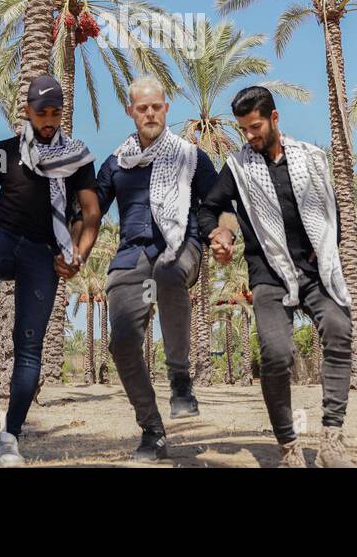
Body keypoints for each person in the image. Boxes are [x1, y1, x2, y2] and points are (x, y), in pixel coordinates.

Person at [197, 85, 354, 468]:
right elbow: (208, 209)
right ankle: (289, 447)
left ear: (274, 118)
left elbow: (331, 212)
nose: (249, 137)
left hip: (315, 272)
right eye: (243, 130)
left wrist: (327, 245)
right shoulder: (237, 168)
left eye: (254, 127)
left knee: (338, 329)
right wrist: (219, 233)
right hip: (267, 273)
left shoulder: (312, 159)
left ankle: (332, 440)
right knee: (276, 353)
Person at [0, 75, 100, 466]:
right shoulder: (5, 152)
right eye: (41, 113)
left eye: (55, 113)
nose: (49, 120)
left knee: (29, 345)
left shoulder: (78, 159)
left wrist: (78, 257)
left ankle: (10, 437)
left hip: (44, 253)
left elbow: (92, 214)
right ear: (27, 112)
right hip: (4, 239)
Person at [96, 76, 219, 461]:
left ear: (166, 107)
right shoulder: (116, 163)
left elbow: (216, 205)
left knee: (167, 272)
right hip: (132, 256)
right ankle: (152, 430)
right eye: (142, 108)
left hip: (181, 246)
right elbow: (90, 211)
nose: (149, 113)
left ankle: (180, 381)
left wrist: (219, 234)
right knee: (122, 343)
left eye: (156, 106)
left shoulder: (192, 157)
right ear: (131, 111)